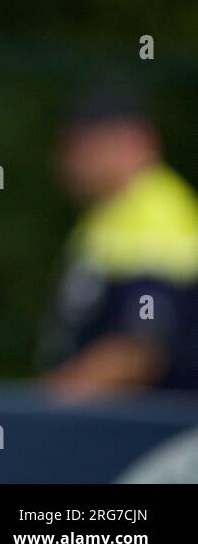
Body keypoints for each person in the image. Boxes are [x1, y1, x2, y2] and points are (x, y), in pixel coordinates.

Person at [37, 79, 198, 400]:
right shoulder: (109, 215)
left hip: (149, 431)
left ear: (133, 141)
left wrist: (45, 408)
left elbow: (138, 347)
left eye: (82, 146)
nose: (68, 162)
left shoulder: (155, 218)